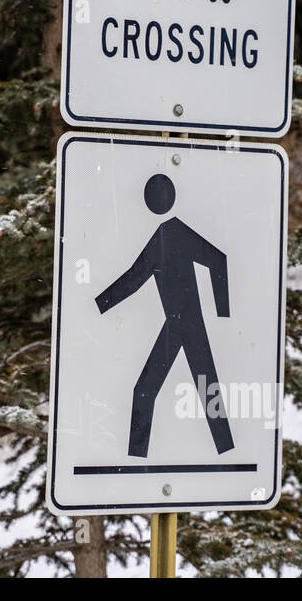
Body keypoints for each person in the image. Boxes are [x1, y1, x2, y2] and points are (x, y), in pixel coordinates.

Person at [94, 173, 234, 457]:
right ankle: (224, 450)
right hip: (178, 324)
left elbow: (218, 260)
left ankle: (138, 457)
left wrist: (224, 312)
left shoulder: (172, 232)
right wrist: (99, 304)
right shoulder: (164, 234)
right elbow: (134, 278)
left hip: (188, 324)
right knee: (192, 390)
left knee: (165, 390)